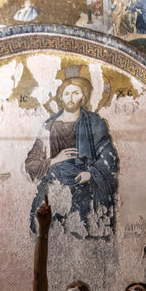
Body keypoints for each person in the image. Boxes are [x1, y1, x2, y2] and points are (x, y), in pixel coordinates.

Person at [25, 77, 118, 239]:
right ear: (60, 97)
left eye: (76, 93)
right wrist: (54, 160)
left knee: (85, 238)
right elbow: (31, 164)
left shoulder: (95, 123)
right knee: (52, 238)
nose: (70, 97)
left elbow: (108, 155)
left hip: (85, 186)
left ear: (83, 96)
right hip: (54, 187)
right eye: (66, 93)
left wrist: (91, 173)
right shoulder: (49, 126)